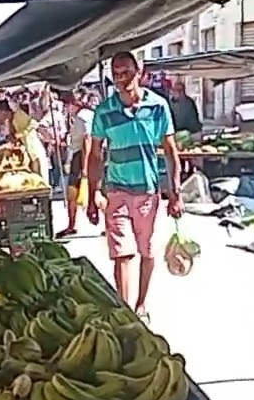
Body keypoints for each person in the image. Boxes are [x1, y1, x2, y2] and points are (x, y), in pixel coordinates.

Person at [87, 51, 184, 321]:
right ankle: (124, 308)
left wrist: (175, 193)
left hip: (148, 190)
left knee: (147, 251)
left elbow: (170, 150)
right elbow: (95, 155)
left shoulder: (158, 107)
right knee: (121, 254)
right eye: (116, 75)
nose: (121, 79)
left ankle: (141, 303)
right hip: (116, 189)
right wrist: (93, 192)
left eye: (126, 73)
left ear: (139, 71)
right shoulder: (104, 111)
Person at [57, 89, 95, 237]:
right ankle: (71, 224)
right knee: (76, 192)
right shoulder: (85, 115)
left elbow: (87, 140)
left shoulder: (82, 117)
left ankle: (72, 224)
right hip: (80, 156)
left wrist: (84, 166)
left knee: (77, 191)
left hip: (81, 156)